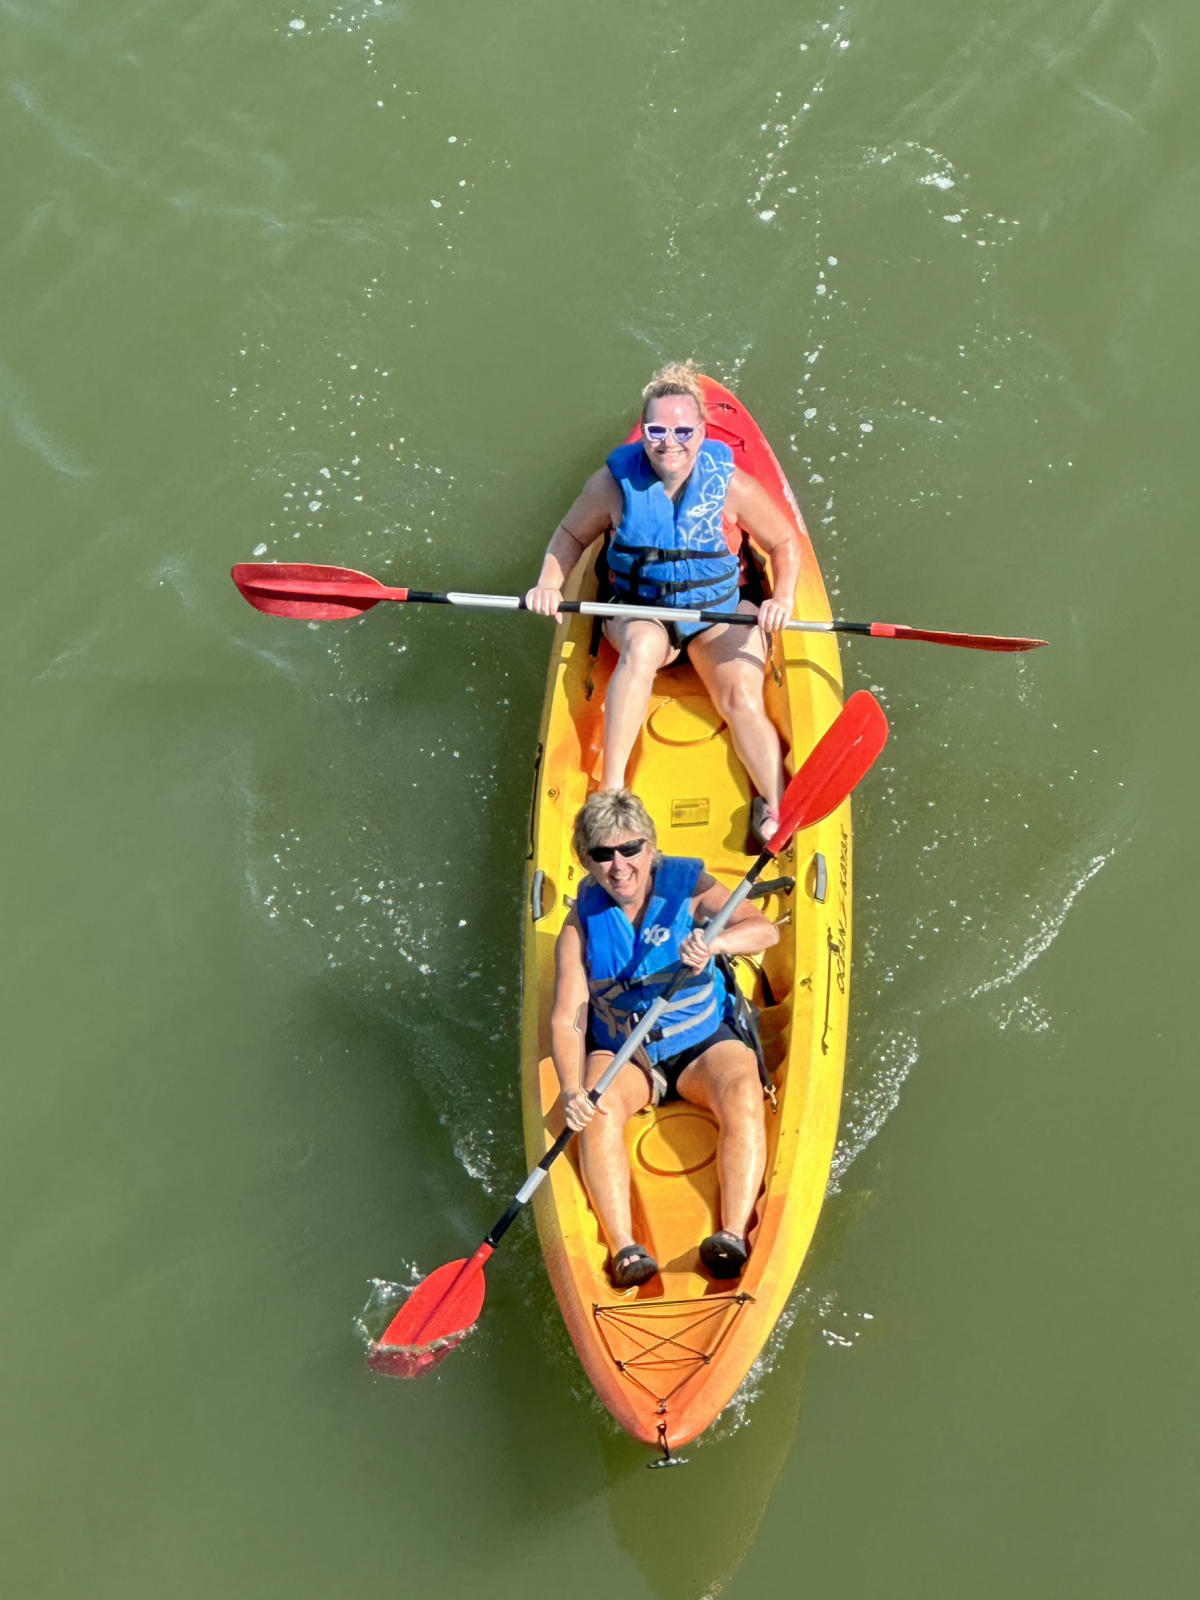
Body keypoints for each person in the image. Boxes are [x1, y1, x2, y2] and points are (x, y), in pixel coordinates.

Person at [526, 360, 806, 841]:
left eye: (683, 430)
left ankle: (777, 805)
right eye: (656, 429)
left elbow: (784, 543)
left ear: (701, 431)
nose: (669, 441)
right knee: (639, 651)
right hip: (642, 610)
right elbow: (571, 534)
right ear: (645, 432)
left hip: (715, 612)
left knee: (740, 692)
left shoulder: (731, 486)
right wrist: (549, 583)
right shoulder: (611, 486)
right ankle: (613, 800)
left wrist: (781, 597)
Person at [550, 790, 778, 1288]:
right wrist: (572, 1089)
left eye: (630, 849)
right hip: (625, 1056)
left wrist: (716, 941)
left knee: (742, 1093)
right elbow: (569, 1015)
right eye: (602, 854)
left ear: (651, 848)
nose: (619, 865)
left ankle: (733, 1235)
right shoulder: (579, 926)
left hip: (702, 1042)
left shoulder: (690, 886)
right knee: (599, 1110)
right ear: (585, 861)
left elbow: (763, 930)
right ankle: (625, 1249)